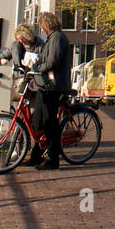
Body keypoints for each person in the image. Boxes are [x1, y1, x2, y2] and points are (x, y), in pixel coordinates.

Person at [30, 12, 72, 170]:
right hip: (46, 85)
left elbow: (52, 61)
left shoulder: (57, 38)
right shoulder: (52, 38)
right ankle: (36, 156)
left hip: (54, 86)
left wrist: (37, 68)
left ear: (46, 25)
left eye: (41, 25)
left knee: (49, 122)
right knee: (38, 120)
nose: (40, 28)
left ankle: (53, 159)